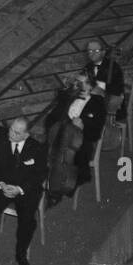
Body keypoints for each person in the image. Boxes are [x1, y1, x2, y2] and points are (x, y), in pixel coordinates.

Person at [0, 116, 48, 265]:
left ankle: (21, 253)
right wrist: (0, 183)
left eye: (16, 133)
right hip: (3, 185)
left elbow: (40, 175)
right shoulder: (0, 142)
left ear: (26, 135)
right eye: (10, 130)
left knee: (27, 222)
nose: (11, 135)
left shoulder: (37, 148)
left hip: (25, 190)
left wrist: (19, 189)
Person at [46, 71, 107, 205]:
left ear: (91, 85)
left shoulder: (97, 103)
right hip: (61, 136)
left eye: (83, 83)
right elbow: (50, 119)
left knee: (69, 160)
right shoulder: (72, 96)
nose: (80, 86)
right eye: (78, 83)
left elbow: (96, 132)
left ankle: (58, 189)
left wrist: (83, 126)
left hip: (81, 142)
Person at [84, 39, 125, 114]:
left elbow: (116, 91)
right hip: (93, 96)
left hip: (109, 101)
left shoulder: (114, 68)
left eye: (96, 51)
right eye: (90, 51)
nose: (92, 54)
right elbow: (88, 80)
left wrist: (102, 92)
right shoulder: (89, 66)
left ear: (103, 52)